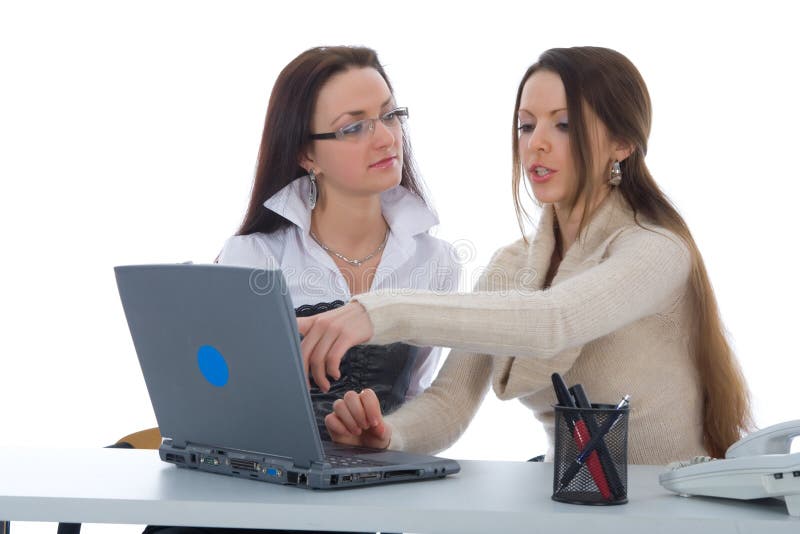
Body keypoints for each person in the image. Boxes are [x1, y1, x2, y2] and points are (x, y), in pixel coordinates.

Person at [297, 46, 752, 464]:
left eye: (564, 125)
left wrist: (377, 312)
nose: (536, 143)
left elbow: (554, 320)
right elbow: (451, 402)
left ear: (622, 143)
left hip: (669, 504)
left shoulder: (657, 249)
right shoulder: (512, 265)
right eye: (526, 125)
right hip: (573, 499)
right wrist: (388, 436)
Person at [141, 45, 458, 534]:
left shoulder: (435, 262)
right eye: (354, 127)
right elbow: (219, 404)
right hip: (253, 498)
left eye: (390, 115)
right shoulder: (254, 256)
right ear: (307, 154)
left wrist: (384, 433)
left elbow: (425, 402)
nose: (385, 137)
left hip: (375, 497)